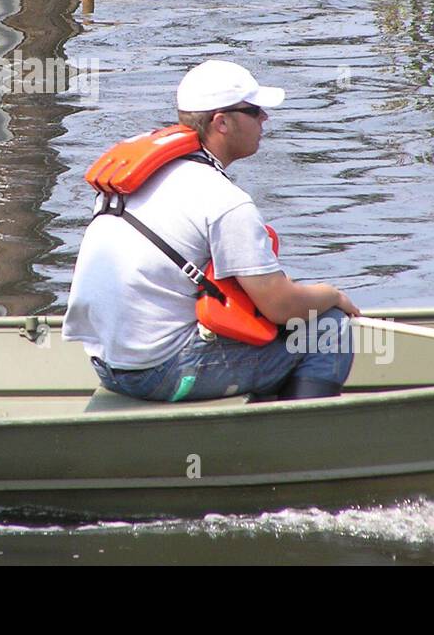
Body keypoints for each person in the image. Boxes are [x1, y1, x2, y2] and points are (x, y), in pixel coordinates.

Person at [63, 60, 360, 402]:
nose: (265, 118)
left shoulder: (136, 181)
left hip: (107, 364)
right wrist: (332, 295)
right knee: (329, 327)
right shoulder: (225, 201)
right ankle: (296, 437)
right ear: (222, 122)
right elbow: (280, 306)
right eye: (254, 111)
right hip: (161, 373)